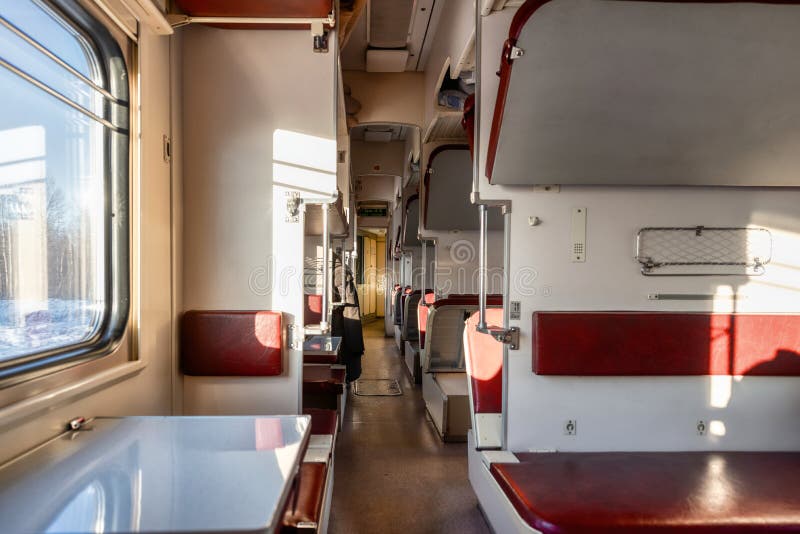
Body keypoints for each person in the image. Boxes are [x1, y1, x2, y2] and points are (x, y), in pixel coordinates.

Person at [331, 250, 364, 383]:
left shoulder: (339, 272)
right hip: (340, 323)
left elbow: (350, 311)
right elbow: (351, 311)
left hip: (338, 323)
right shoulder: (341, 272)